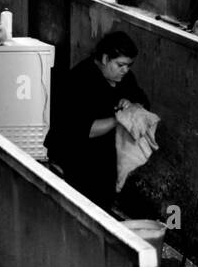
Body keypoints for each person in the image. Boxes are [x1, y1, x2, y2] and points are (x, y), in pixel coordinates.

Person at [44, 31, 150, 212]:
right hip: (76, 154)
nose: (125, 70)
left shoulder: (125, 78)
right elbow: (86, 130)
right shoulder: (79, 80)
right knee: (83, 205)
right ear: (104, 58)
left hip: (107, 154)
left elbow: (143, 102)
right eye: (120, 65)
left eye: (129, 65)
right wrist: (118, 119)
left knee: (104, 200)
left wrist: (131, 104)